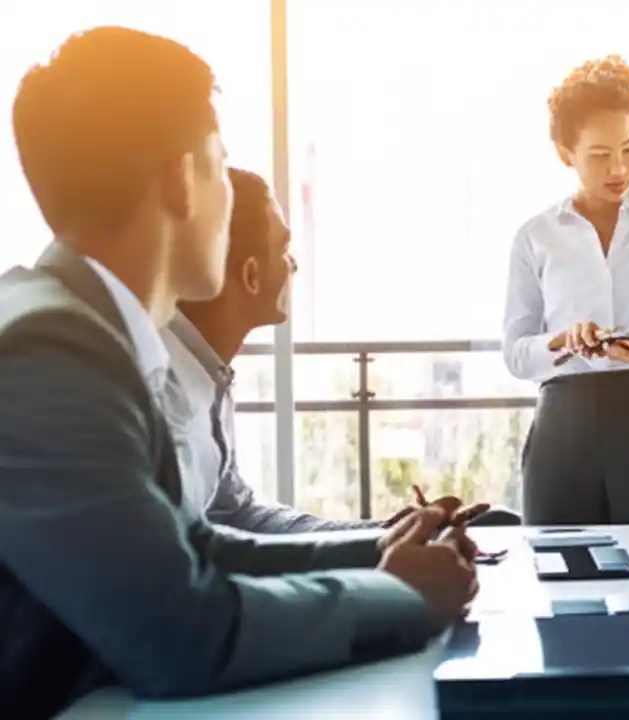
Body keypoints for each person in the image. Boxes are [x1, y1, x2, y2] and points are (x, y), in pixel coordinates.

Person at [0, 27, 475, 717]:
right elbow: (179, 633)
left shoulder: (81, 329)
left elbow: (192, 548)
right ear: (181, 179)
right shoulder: (49, 356)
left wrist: (378, 549)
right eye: (221, 165)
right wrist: (399, 596)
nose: (231, 192)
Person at [163, 167, 504, 531]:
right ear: (251, 276)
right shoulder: (166, 389)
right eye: (283, 249)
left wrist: (385, 532)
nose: (293, 265)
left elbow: (239, 514)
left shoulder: (206, 371)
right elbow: (205, 556)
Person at [502, 55, 629, 525]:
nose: (619, 168)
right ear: (565, 152)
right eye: (599, 155)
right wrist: (564, 339)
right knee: (561, 575)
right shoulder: (535, 236)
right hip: (563, 428)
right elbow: (516, 353)